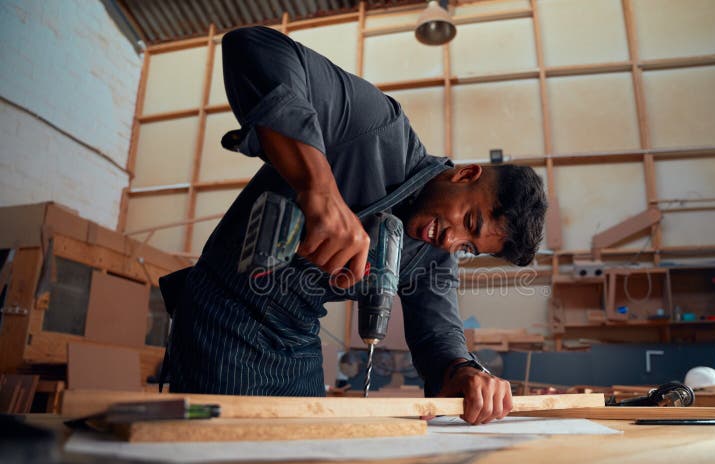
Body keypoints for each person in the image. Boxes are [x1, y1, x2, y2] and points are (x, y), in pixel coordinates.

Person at [161, 26, 547, 425]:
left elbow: (438, 336)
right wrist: (318, 187)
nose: (452, 241)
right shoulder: (377, 128)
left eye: (469, 247)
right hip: (224, 318)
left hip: (297, 341)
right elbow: (252, 46)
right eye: (469, 221)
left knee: (310, 459)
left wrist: (466, 372)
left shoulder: (433, 256)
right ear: (465, 175)